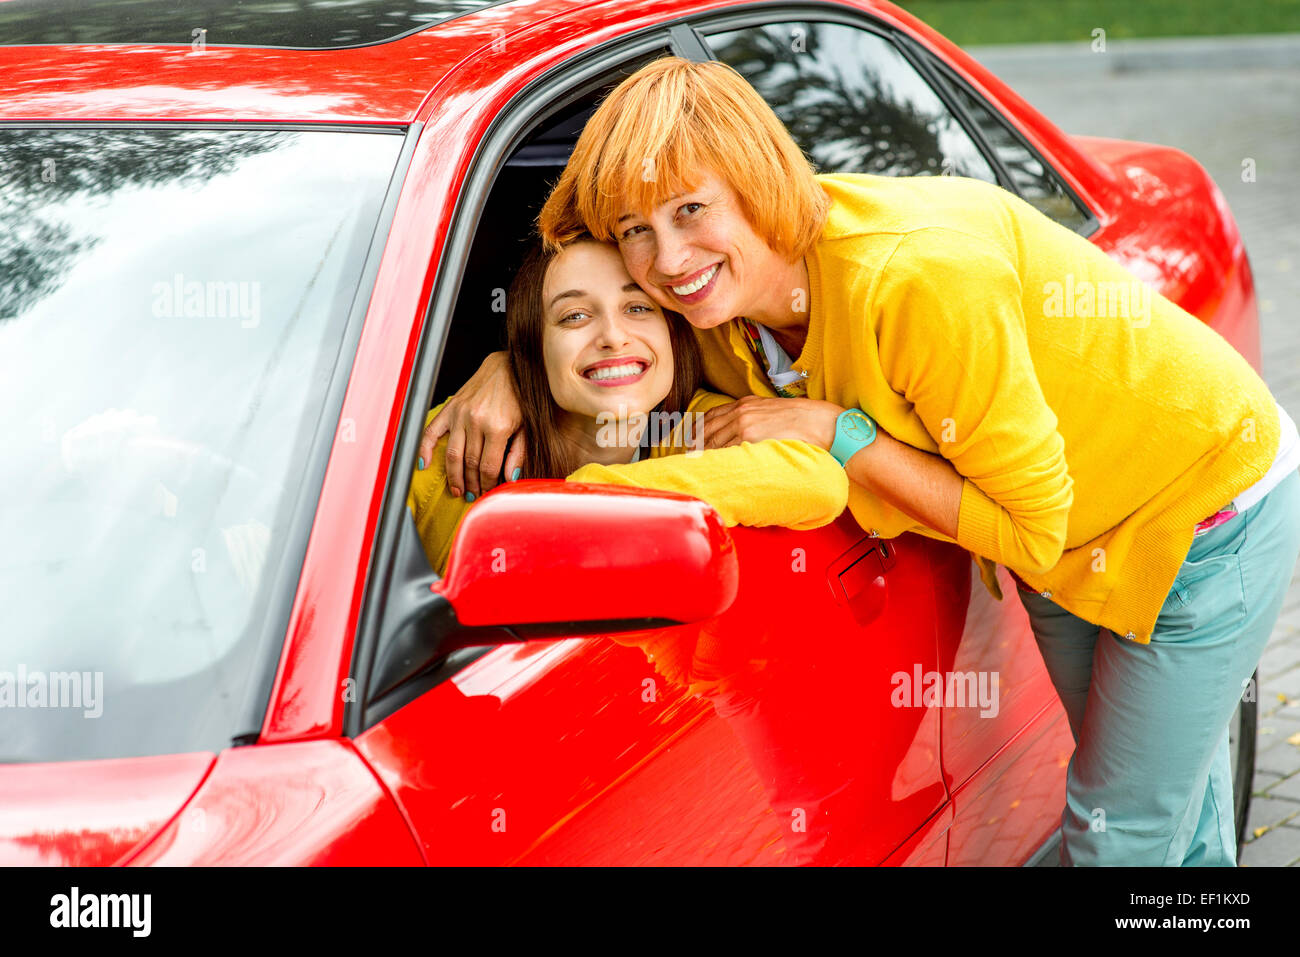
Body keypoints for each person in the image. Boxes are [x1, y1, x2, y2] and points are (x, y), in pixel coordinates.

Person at [419, 56, 1300, 866]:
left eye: (691, 210)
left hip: (1201, 513)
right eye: (637, 229)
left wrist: (838, 430)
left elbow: (1030, 537)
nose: (669, 259)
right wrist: (505, 367)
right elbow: (589, 317)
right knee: (1175, 814)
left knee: (1120, 833)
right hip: (1074, 533)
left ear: (759, 183)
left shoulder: (919, 282)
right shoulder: (709, 313)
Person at [406, 232, 848, 578]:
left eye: (637, 308)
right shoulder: (447, 445)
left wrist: (584, 498)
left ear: (675, 335)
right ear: (533, 348)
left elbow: (817, 479)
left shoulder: (684, 427)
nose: (613, 336)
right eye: (574, 316)